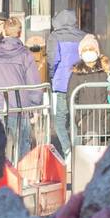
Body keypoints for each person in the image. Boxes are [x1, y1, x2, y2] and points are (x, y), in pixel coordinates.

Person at [0, 16, 44, 163]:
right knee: (22, 145)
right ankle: (20, 177)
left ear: (4, 31)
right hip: (19, 107)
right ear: (20, 32)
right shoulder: (25, 55)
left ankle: (0, 178)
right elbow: (33, 83)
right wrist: (35, 108)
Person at [66, 34, 110, 145]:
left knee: (107, 156)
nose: (88, 52)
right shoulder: (77, 73)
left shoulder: (107, 68)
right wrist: (79, 120)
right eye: (85, 50)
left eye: (91, 49)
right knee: (91, 157)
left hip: (107, 121)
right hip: (87, 123)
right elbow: (71, 97)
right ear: (81, 53)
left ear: (97, 51)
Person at [46, 10, 86, 157]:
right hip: (80, 83)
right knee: (76, 119)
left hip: (61, 84)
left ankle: (67, 151)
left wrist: (52, 77)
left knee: (59, 120)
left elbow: (53, 60)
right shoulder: (83, 36)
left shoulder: (54, 36)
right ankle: (77, 151)